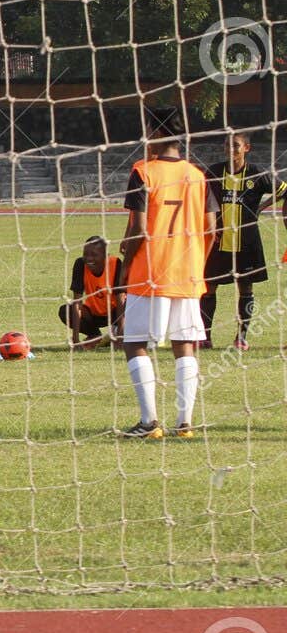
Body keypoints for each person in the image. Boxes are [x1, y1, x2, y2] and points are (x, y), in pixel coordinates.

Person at [116, 120, 217, 439]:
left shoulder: (143, 171)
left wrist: (124, 271)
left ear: (159, 135)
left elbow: (140, 229)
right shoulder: (197, 176)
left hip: (151, 271)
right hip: (186, 273)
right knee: (184, 344)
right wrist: (196, 260)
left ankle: (149, 423)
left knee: (134, 344)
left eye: (148, 131)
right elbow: (212, 229)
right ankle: (184, 423)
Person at [201, 130, 283, 351]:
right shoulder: (215, 172)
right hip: (218, 241)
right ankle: (205, 336)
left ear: (246, 148)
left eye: (235, 145)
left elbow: (283, 189)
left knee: (245, 288)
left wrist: (263, 207)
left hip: (246, 241)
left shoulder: (255, 173)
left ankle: (241, 337)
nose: (230, 149)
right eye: (227, 145)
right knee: (208, 287)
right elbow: (201, 197)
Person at [60, 235, 122, 350]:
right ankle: (94, 335)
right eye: (86, 254)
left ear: (105, 256)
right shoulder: (80, 264)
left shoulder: (115, 264)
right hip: (93, 314)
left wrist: (120, 338)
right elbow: (77, 301)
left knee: (131, 306)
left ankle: (118, 334)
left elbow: (121, 301)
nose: (89, 258)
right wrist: (75, 339)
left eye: (94, 255)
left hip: (115, 313)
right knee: (65, 310)